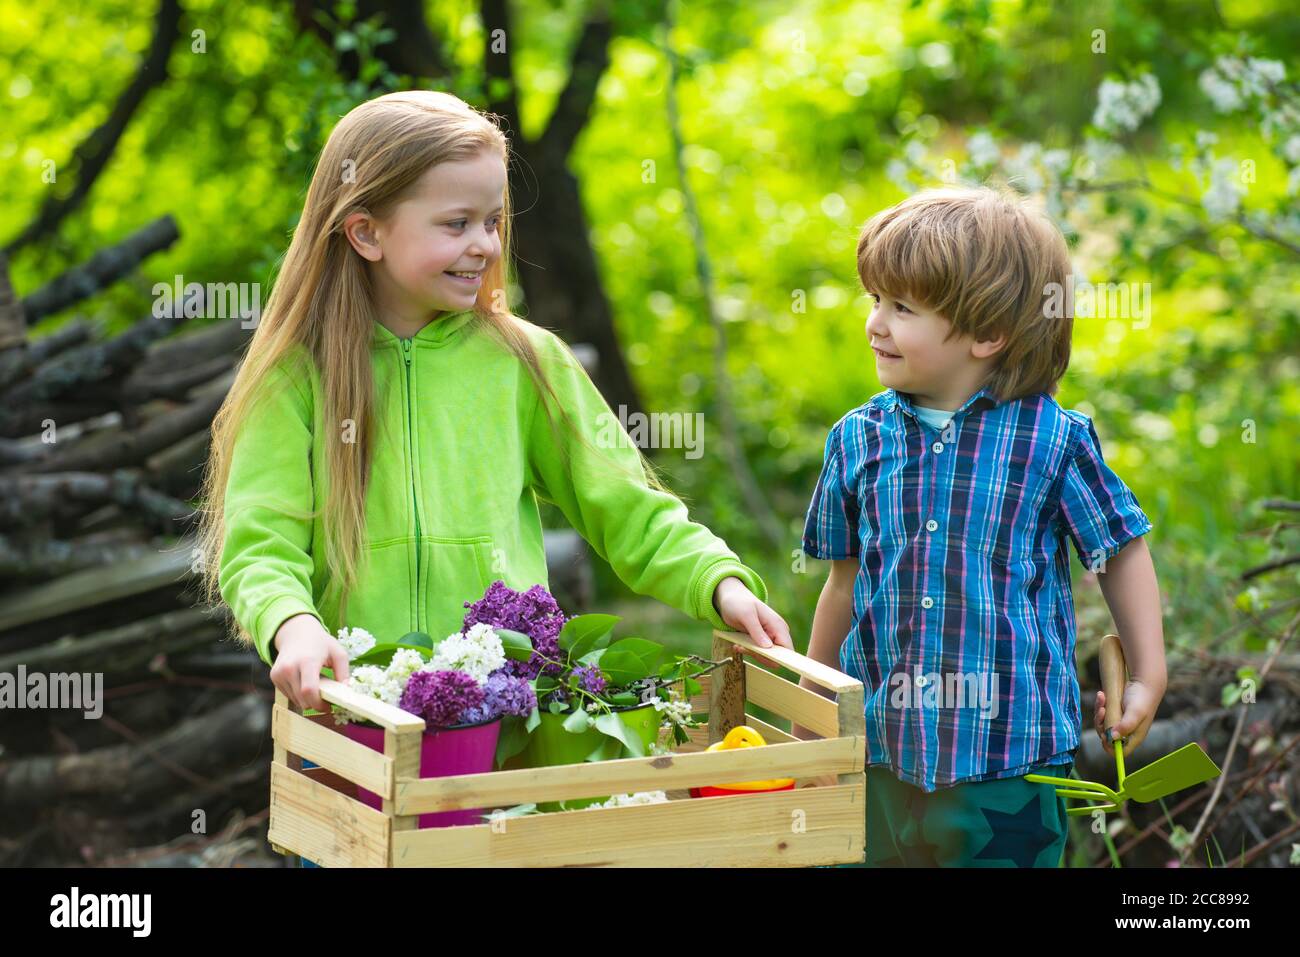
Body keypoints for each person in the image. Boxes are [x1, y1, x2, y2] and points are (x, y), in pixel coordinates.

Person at [194, 90, 792, 865]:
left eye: (492, 221)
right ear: (365, 231)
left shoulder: (525, 362)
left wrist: (718, 582)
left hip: (506, 739)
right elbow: (259, 537)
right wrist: (290, 622)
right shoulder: (296, 376)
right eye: (455, 223)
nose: (482, 244)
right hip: (354, 742)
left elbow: (626, 506)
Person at [795, 186, 1165, 867]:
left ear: (987, 333)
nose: (875, 323)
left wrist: (1147, 672)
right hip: (880, 755)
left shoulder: (1052, 441)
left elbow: (1119, 548)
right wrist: (813, 707)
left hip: (1008, 767)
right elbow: (843, 586)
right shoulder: (857, 439)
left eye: (902, 307)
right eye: (875, 299)